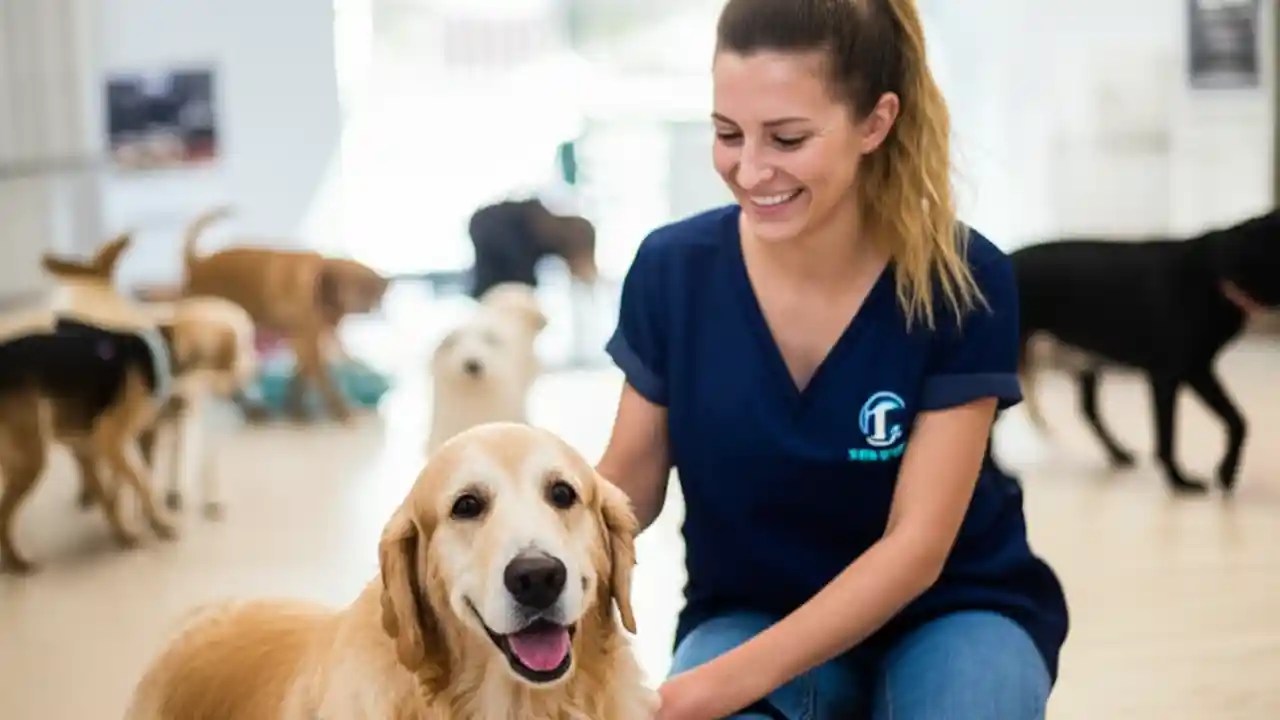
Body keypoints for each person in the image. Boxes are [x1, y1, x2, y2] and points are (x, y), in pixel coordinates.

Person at [595, 0, 1069, 718]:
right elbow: (628, 486)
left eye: (786, 139)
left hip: (953, 611)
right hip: (751, 610)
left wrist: (717, 685)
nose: (750, 170)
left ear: (874, 123)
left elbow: (916, 548)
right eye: (727, 134)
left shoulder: (963, 279)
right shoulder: (673, 270)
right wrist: (520, 557)